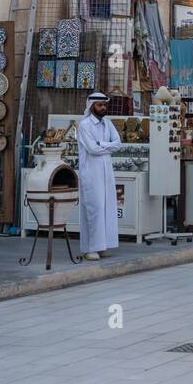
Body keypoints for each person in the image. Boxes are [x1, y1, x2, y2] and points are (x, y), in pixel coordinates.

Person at [76, 91, 123, 261]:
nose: (103, 108)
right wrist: (105, 146)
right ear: (92, 106)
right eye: (100, 105)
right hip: (91, 172)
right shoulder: (85, 125)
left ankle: (103, 246)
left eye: (104, 105)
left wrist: (101, 144)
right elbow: (92, 149)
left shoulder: (108, 123)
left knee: (107, 208)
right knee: (94, 208)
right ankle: (91, 248)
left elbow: (118, 144)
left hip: (106, 171)